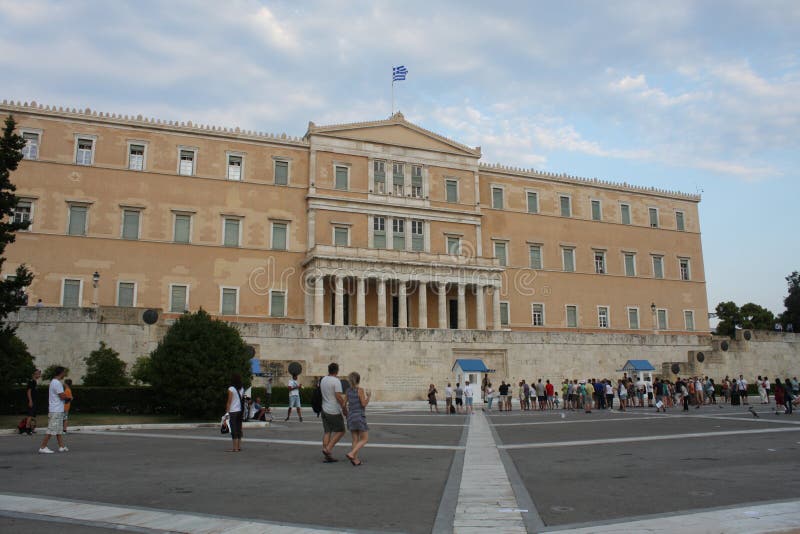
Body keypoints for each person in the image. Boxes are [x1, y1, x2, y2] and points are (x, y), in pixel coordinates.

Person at [38, 366, 70, 454]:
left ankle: (61, 446)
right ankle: (43, 447)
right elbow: (62, 396)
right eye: (64, 372)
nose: (65, 374)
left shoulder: (54, 382)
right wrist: (68, 398)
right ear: (61, 373)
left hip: (57, 409)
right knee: (51, 429)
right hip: (56, 410)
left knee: (58, 429)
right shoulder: (57, 383)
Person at [321, 362, 348, 463]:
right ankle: (328, 449)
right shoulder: (336, 381)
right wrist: (344, 409)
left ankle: (327, 456)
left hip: (324, 408)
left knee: (327, 432)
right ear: (337, 371)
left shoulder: (323, 379)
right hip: (333, 410)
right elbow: (338, 397)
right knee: (341, 430)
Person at [345, 371, 370, 466]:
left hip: (351, 416)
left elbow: (343, 404)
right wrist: (369, 397)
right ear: (358, 380)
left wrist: (346, 413)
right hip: (359, 416)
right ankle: (351, 454)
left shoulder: (348, 391)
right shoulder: (360, 390)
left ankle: (355, 460)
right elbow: (363, 404)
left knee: (355, 439)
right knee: (365, 439)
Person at [224, 373, 244, 452]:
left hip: (232, 411)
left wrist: (226, 413)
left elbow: (229, 402)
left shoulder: (231, 389)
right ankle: (238, 447)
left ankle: (235, 448)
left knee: (233, 429)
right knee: (239, 429)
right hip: (239, 411)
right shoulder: (242, 389)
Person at [25, 369, 41, 435]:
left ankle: (31, 429)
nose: (39, 375)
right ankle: (27, 429)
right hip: (32, 401)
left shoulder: (34, 381)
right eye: (38, 374)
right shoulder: (31, 381)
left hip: (34, 400)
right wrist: (30, 401)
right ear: (34, 374)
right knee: (30, 415)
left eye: (39, 374)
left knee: (32, 416)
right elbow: (28, 391)